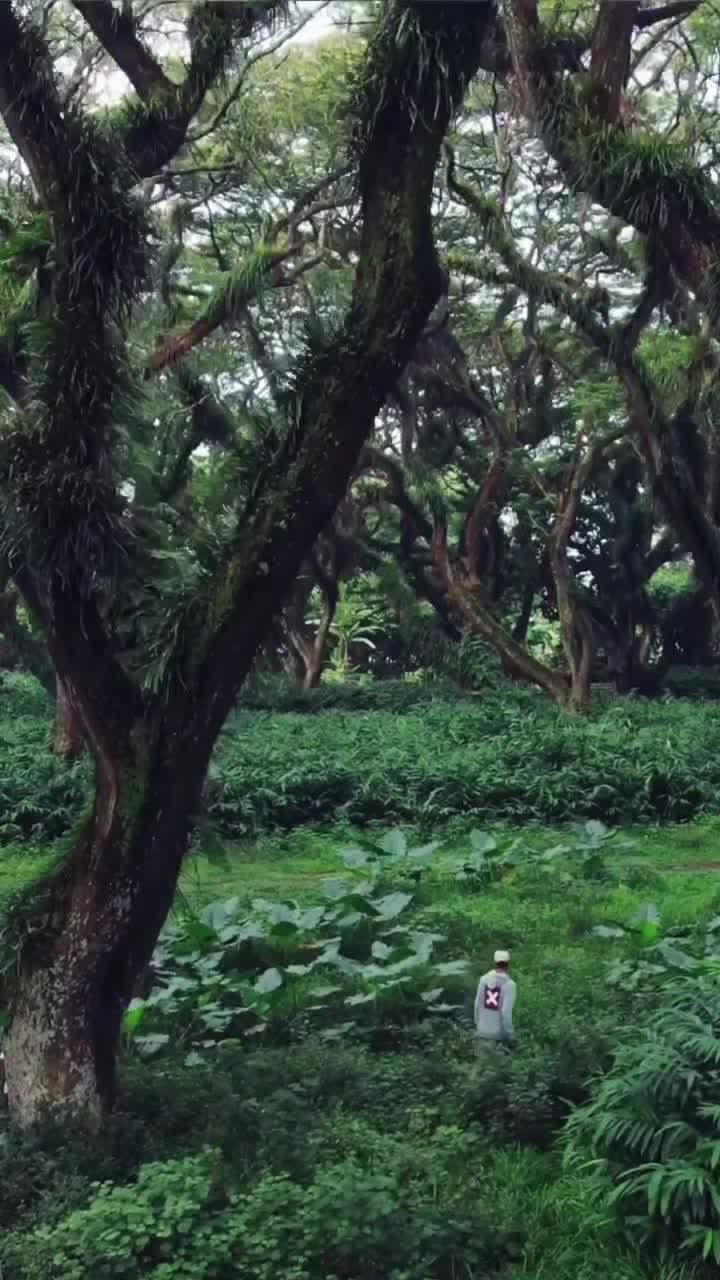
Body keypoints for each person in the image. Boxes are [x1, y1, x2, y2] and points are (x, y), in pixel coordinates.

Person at [474, 949, 516, 1055]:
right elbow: (505, 1014)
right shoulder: (510, 985)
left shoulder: (483, 979)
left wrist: (478, 1025)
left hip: (481, 1032)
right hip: (498, 1037)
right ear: (508, 965)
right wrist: (510, 1035)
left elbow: (477, 1005)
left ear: (495, 963)